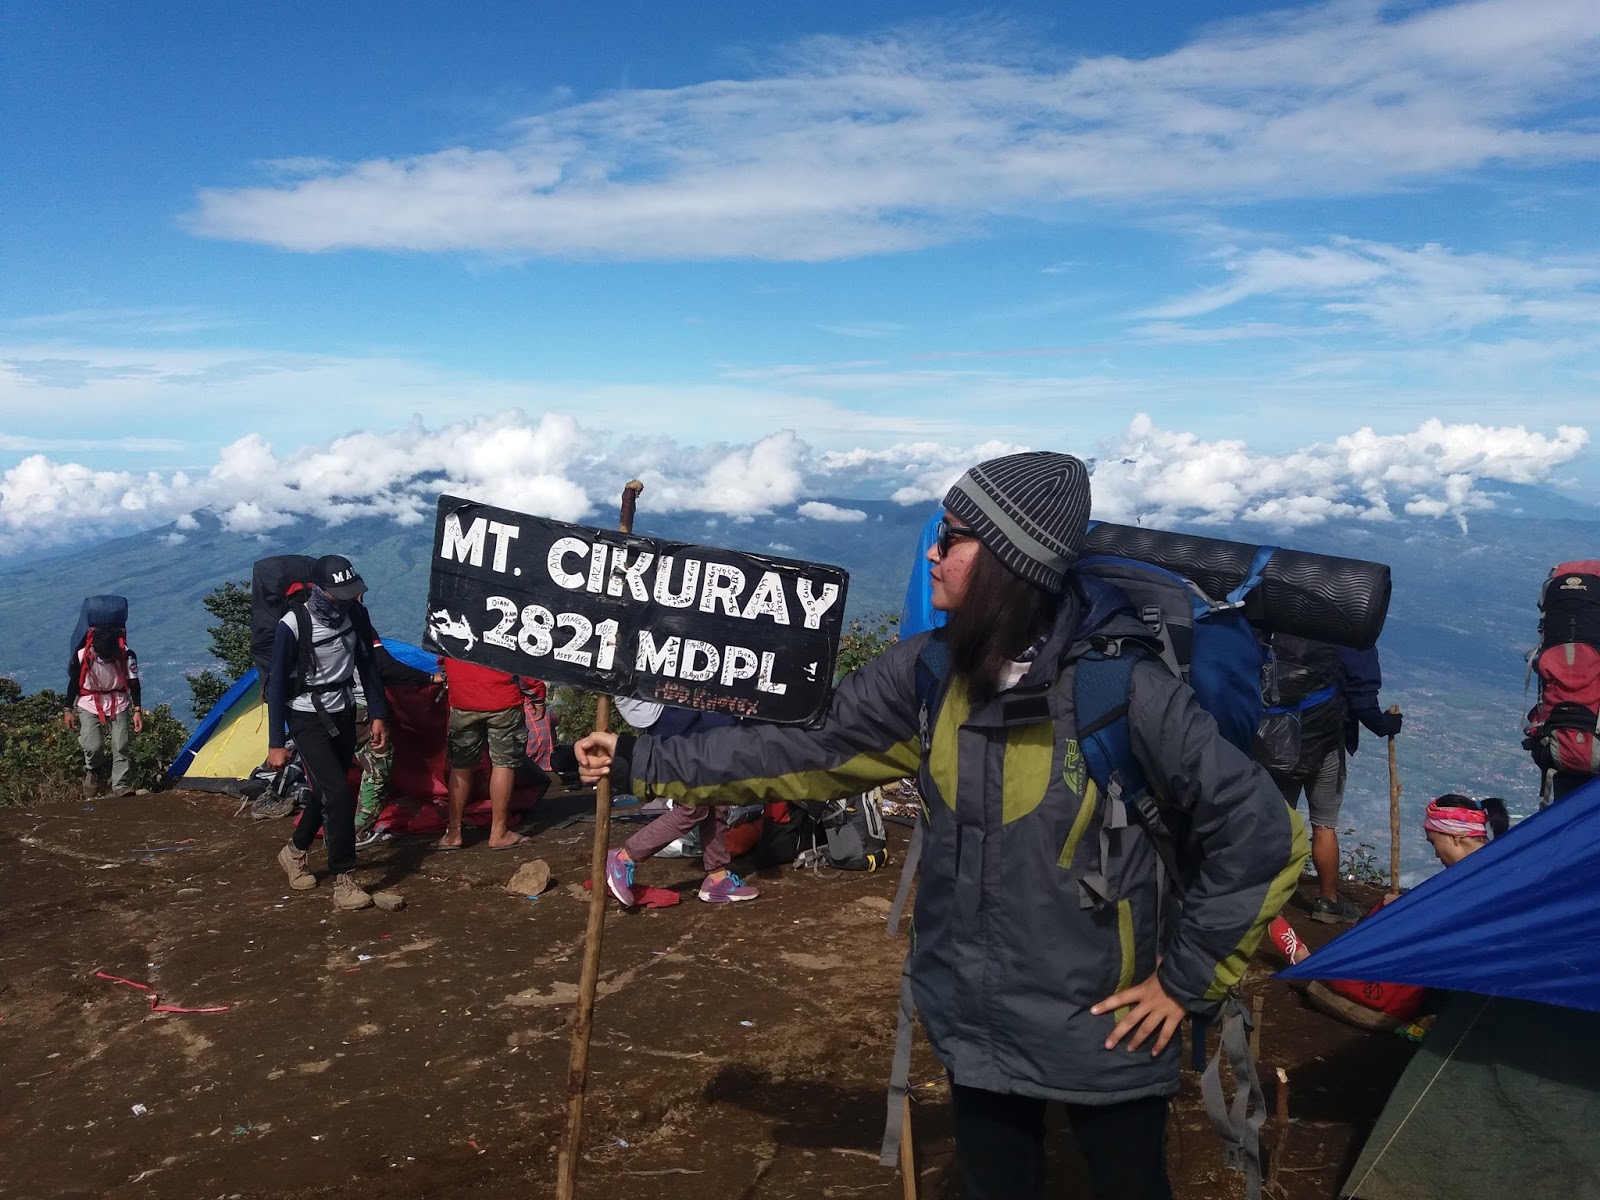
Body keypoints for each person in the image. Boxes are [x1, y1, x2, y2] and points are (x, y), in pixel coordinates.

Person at [578, 451, 1305, 1200]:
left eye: (951, 536)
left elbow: (1264, 833)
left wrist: (1184, 983)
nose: (931, 549)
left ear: (1007, 564)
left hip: (1110, 1028)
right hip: (975, 1014)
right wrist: (645, 760)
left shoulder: (1121, 691)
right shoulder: (928, 675)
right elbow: (805, 746)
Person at [1269, 793, 1509, 1029]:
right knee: (1391, 907)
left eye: (1434, 842)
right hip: (1462, 972)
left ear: (1455, 836)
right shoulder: (1490, 865)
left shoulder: (1478, 874)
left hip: (1455, 978)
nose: (1436, 854)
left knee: (1387, 916)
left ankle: (1320, 970)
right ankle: (1325, 968)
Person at [269, 554, 388, 911]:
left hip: (345, 710)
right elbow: (276, 686)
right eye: (341, 593)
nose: (349, 599)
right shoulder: (293, 625)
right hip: (307, 717)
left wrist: (378, 714)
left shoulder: (357, 615)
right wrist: (277, 742)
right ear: (320, 590)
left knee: (327, 793)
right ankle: (344, 879)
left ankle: (294, 852)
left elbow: (367, 664)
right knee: (338, 793)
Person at [1264, 637, 1403, 923]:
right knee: (1324, 824)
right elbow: (1363, 700)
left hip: (1278, 741)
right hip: (1326, 741)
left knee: (1278, 822)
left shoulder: (1282, 628)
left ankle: (1266, 900)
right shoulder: (1351, 638)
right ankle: (1327, 902)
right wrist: (1387, 725)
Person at [604, 698, 759, 905]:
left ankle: (717, 877)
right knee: (692, 806)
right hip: (678, 713)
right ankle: (624, 858)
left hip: (700, 715)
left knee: (716, 798)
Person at [352, 634, 443, 847]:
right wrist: (428, 678)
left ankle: (335, 830)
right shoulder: (356, 622)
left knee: (336, 774)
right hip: (359, 709)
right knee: (377, 769)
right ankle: (358, 832)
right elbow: (383, 665)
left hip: (321, 711)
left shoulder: (303, 621)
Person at [435, 657, 532, 851]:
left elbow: (442, 654)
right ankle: (499, 833)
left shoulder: (452, 625)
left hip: (463, 696)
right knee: (503, 763)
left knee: (461, 764)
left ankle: (453, 833)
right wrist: (537, 693)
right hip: (503, 697)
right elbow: (525, 655)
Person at [64, 624, 142, 797]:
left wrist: (137, 709)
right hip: (89, 701)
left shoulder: (127, 655)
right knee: (92, 745)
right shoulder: (82, 655)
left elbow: (134, 683)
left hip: (118, 701)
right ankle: (93, 769)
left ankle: (120, 786)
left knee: (121, 745)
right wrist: (68, 709)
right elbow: (74, 682)